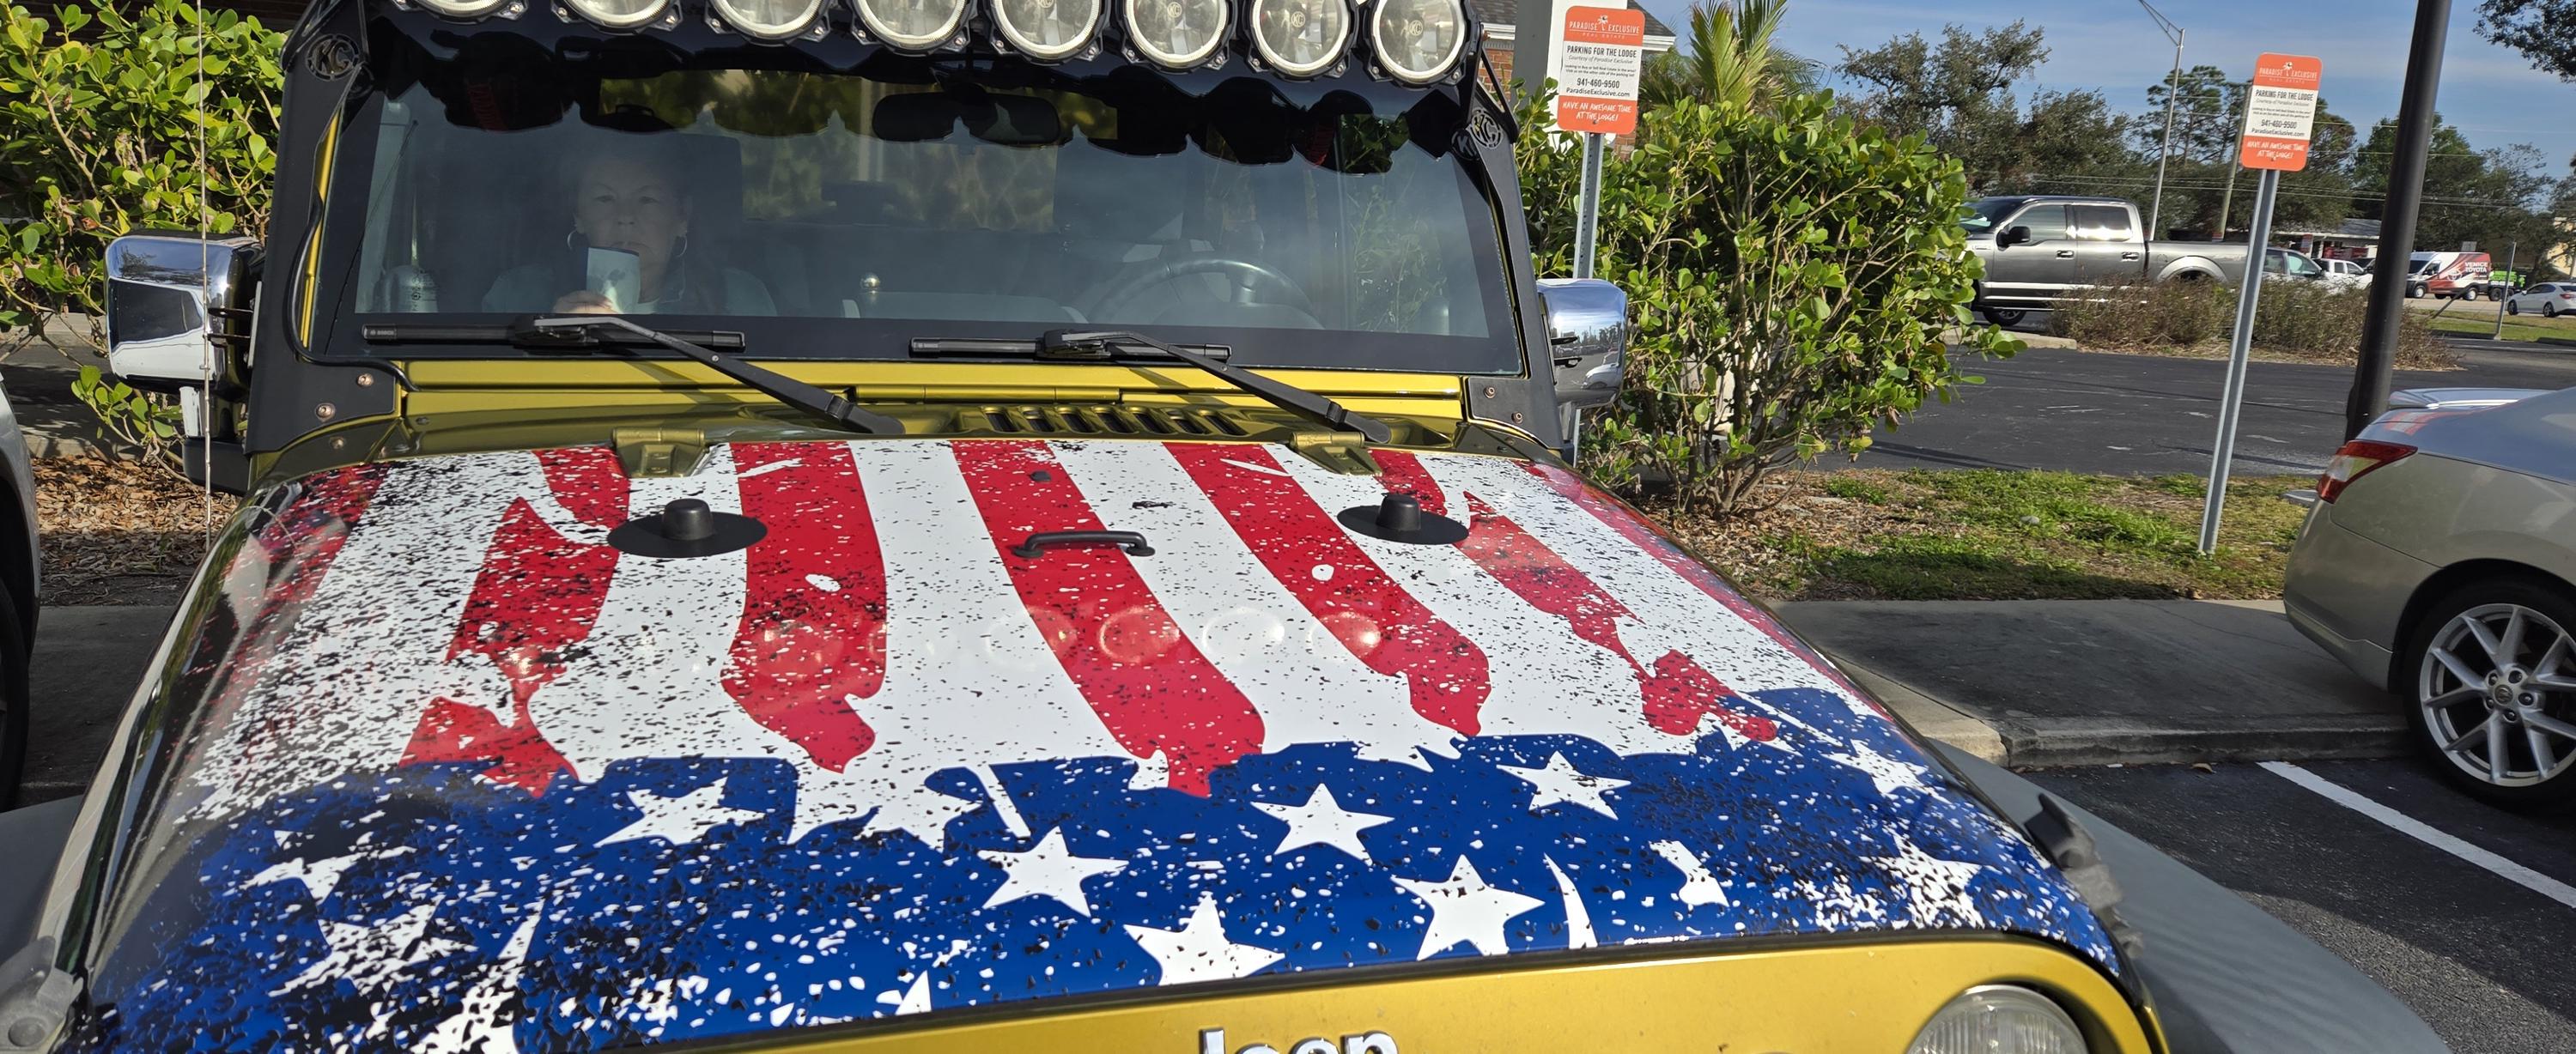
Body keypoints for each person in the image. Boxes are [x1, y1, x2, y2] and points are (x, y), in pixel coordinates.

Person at [482, 132, 775, 316]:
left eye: (647, 199)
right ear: (578, 216)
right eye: (605, 198)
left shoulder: (737, 298)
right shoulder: (519, 295)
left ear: (681, 218)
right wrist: (550, 337)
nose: (625, 216)